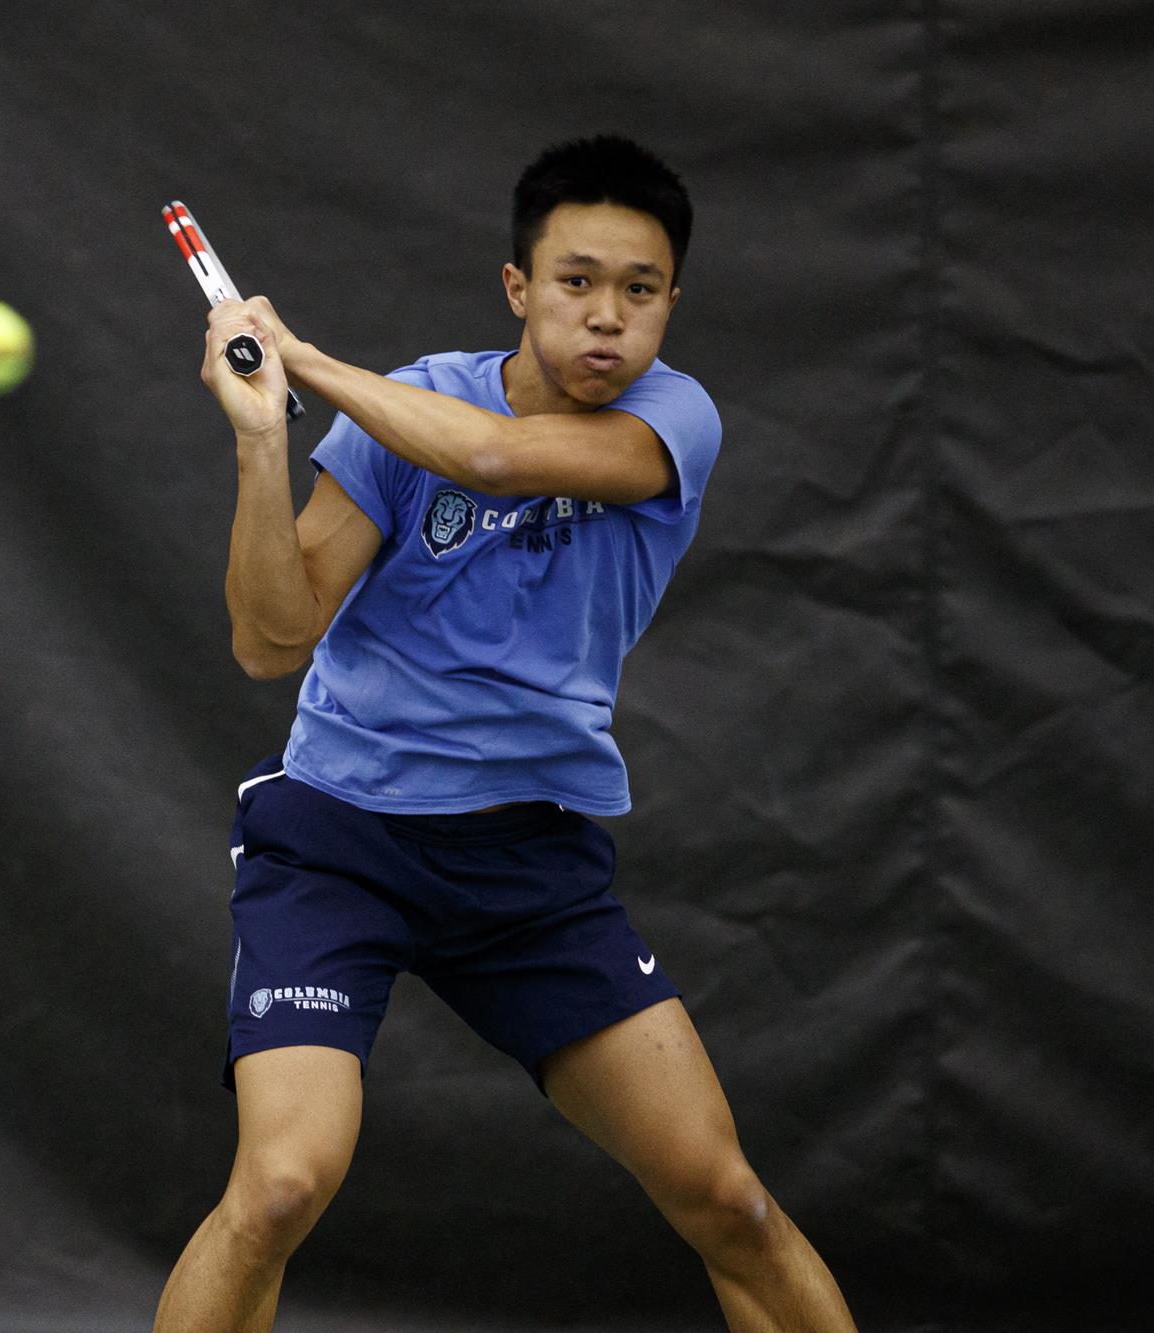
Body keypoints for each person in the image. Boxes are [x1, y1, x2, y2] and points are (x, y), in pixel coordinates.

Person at [152, 136, 858, 1333]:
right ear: (516, 288)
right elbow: (270, 642)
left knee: (726, 1199)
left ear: (669, 306)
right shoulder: (399, 415)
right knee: (275, 1188)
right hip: (338, 846)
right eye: (575, 281)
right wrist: (261, 435)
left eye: (639, 291)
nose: (605, 319)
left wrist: (310, 362)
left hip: (526, 866)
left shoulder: (670, 419)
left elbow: (487, 455)